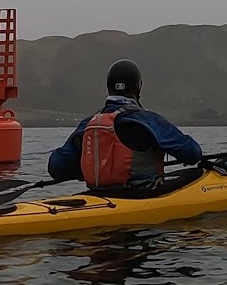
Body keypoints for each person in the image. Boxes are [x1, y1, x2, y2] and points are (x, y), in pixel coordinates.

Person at [47, 59, 203, 189]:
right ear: (138, 87)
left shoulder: (88, 124)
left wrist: (87, 167)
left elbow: (56, 168)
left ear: (108, 87)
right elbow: (192, 154)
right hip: (142, 196)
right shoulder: (149, 121)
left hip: (98, 196)